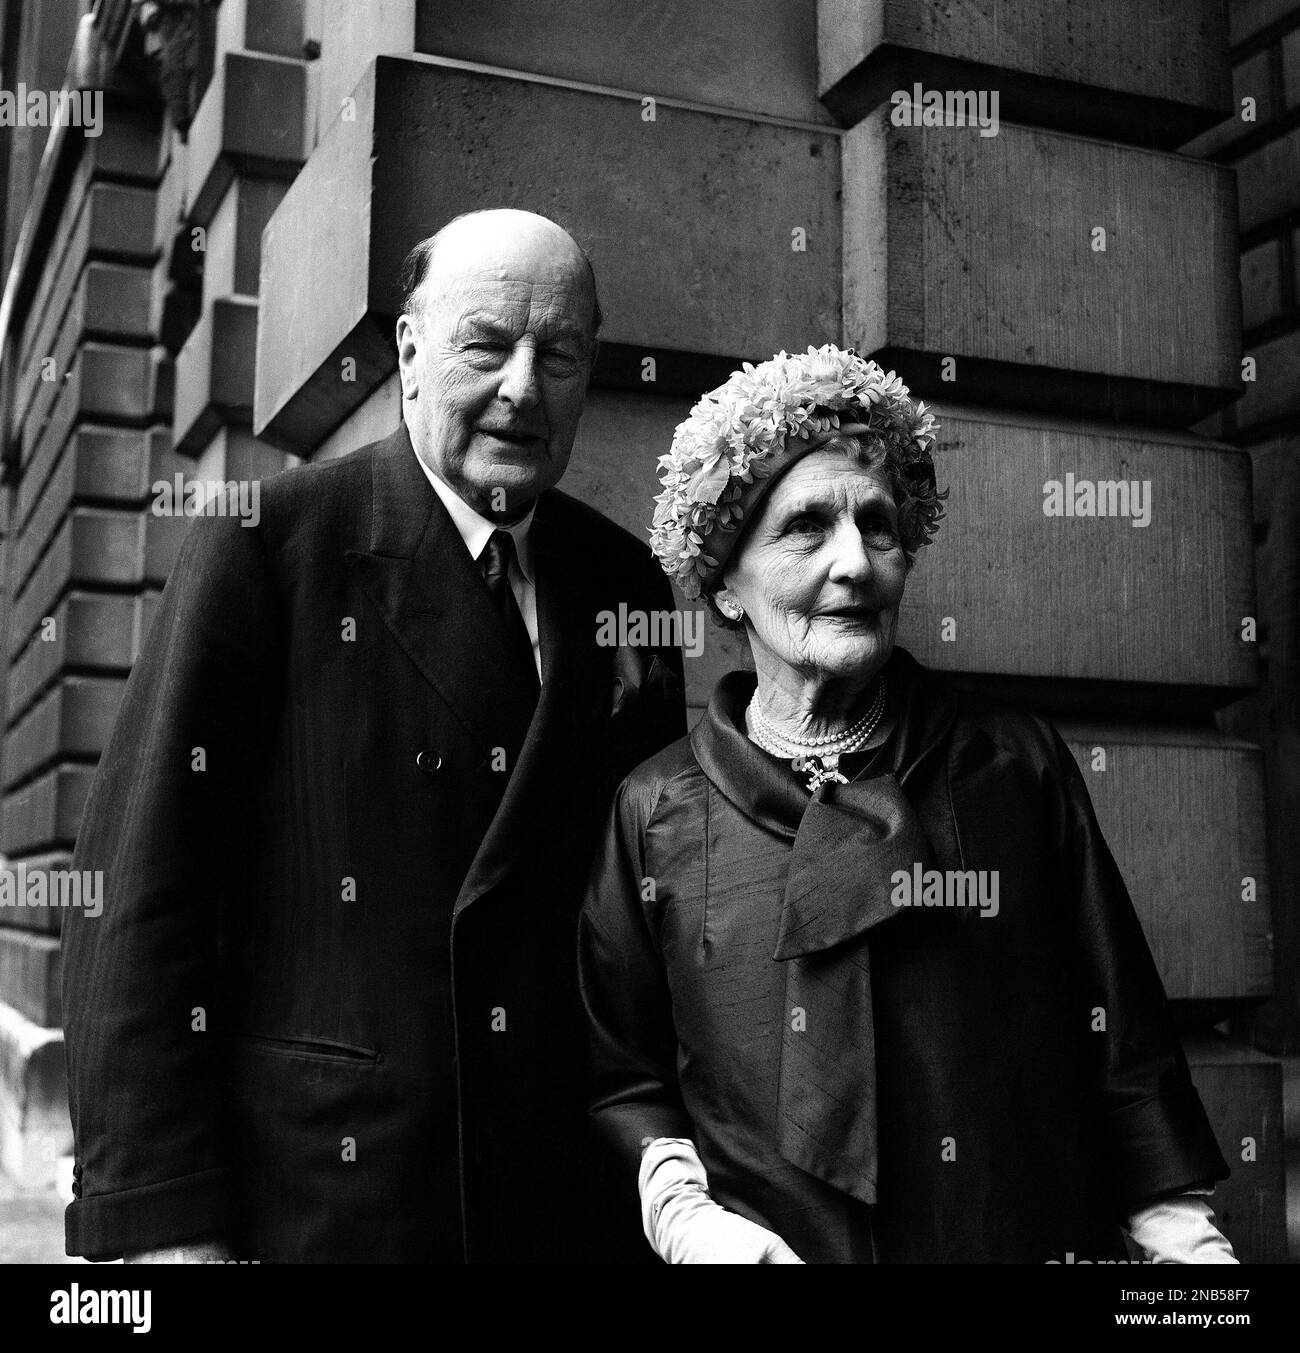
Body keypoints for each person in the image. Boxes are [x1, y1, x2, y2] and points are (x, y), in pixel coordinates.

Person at [61, 209, 685, 1263]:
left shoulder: (625, 583)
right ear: (407, 352)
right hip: (331, 1197)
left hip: (560, 1205)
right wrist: (161, 1223)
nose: (524, 388)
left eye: (561, 354)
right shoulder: (270, 548)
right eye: (486, 345)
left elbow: (656, 902)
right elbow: (140, 893)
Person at [578, 343, 1238, 1264]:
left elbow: (1120, 1033)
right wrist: (692, 1222)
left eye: (878, 527)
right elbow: (626, 1074)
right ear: (724, 579)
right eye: (807, 527)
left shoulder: (1011, 763)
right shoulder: (654, 812)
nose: (856, 563)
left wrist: (1188, 1260)